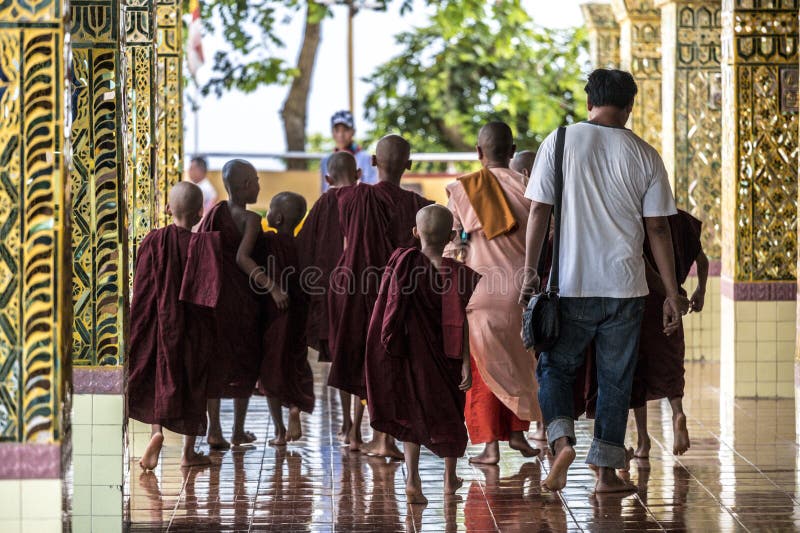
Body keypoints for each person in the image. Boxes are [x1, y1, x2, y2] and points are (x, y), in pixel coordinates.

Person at [520, 68, 688, 493]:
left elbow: (539, 211)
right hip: (626, 287)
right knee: (616, 379)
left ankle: (561, 442)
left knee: (555, 368)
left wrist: (527, 269)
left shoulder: (558, 143)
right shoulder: (645, 154)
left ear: (588, 101)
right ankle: (606, 474)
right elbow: (659, 230)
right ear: (630, 106)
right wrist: (671, 292)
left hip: (570, 286)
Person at [365, 204, 481, 504]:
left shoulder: (404, 266)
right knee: (452, 414)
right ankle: (449, 477)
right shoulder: (457, 273)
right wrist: (467, 362)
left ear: (415, 233)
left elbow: (390, 312)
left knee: (411, 413)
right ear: (452, 236)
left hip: (411, 357)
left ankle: (413, 479)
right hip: (448, 359)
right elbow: (463, 320)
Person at [328, 134, 433, 458]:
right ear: (410, 165)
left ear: (372, 162)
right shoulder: (418, 206)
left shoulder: (353, 196)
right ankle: (384, 437)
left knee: (365, 364)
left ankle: (373, 437)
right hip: (399, 297)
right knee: (391, 365)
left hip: (359, 294)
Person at [444, 122, 542, 465]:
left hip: (480, 292)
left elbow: (450, 245)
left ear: (478, 152)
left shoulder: (463, 189)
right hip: (523, 292)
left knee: (484, 369)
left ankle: (489, 448)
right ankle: (518, 433)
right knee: (519, 364)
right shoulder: (531, 189)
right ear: (512, 151)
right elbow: (549, 239)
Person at [128, 182, 219, 469]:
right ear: (199, 214)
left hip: (156, 324)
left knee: (158, 377)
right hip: (190, 329)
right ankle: (188, 453)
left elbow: (141, 286)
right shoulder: (201, 245)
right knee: (194, 382)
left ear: (168, 208)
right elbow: (208, 295)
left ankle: (157, 433)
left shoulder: (153, 240)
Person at [199, 159, 287, 449]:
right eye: (257, 180)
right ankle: (236, 430)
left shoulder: (215, 212)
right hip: (241, 300)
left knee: (215, 362)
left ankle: (215, 430)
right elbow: (242, 258)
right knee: (246, 363)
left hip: (215, 297)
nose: (260, 185)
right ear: (247, 184)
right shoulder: (249, 220)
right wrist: (273, 287)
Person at [631, 210, 707, 457]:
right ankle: (678, 413)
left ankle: (643, 441)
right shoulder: (682, 221)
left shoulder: (639, 219)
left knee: (638, 371)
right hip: (674, 299)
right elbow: (703, 261)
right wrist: (700, 292)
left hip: (643, 300)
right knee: (671, 363)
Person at [252, 192, 314, 446]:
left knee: (271, 373)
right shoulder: (303, 245)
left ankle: (279, 431)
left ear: (276, 217)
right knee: (295, 364)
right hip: (299, 317)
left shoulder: (267, 242)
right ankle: (295, 408)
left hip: (273, 317)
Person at [297, 152, 360, 364]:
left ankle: (342, 398)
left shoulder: (324, 203)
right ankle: (359, 398)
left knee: (338, 354)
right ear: (359, 174)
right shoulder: (366, 198)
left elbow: (304, 246)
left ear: (328, 180)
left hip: (328, 289)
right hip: (363, 286)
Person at [320, 110, 377, 191]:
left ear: (353, 131)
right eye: (337, 130)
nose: (341, 135)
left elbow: (371, 188)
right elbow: (324, 191)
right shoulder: (326, 160)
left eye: (345, 130)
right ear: (332, 133)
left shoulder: (365, 158)